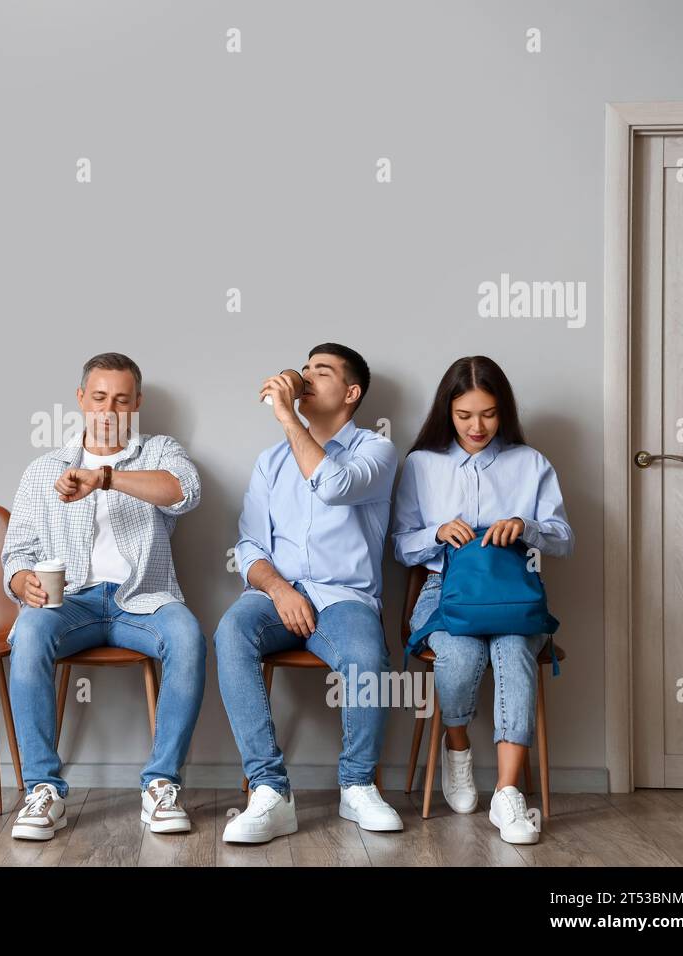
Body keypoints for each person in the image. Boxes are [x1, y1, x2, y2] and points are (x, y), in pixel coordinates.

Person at [1, 352, 206, 840]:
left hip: (145, 600)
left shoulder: (159, 451)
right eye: (98, 397)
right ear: (80, 400)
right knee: (28, 633)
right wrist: (21, 581)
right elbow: (16, 551)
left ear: (136, 402)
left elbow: (186, 490)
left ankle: (160, 785)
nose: (109, 409)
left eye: (120, 399)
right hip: (71, 602)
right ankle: (43, 792)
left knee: (189, 637)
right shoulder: (43, 469)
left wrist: (106, 478)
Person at [215, 344, 403, 844]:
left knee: (366, 655)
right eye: (305, 369)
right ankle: (270, 792)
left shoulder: (376, 450)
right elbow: (250, 542)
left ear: (351, 392)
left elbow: (334, 484)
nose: (306, 377)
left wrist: (285, 416)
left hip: (345, 597)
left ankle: (358, 785)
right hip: (278, 594)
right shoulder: (270, 462)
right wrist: (278, 590)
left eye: (321, 372)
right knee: (231, 630)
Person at [392, 355, 573, 844]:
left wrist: (526, 527)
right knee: (459, 650)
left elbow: (563, 539)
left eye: (488, 414)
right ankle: (458, 751)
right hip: (442, 590)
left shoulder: (530, 462)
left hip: (513, 593)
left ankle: (508, 795)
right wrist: (435, 533)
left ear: (504, 410)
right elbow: (400, 543)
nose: (477, 427)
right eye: (464, 415)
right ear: (446, 412)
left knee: (514, 650)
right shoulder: (421, 464)